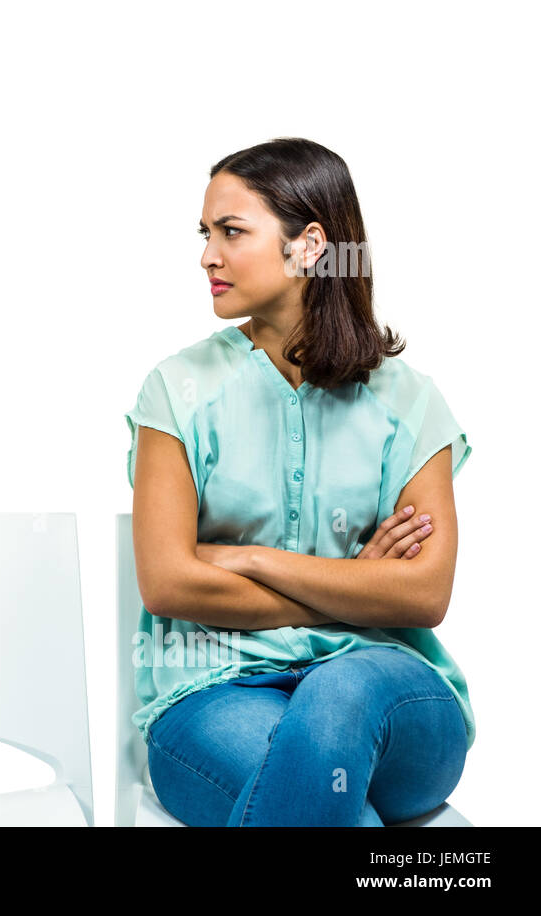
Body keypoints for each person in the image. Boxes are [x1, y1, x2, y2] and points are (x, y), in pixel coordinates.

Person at [125, 137, 472, 826]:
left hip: (394, 696)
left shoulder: (410, 403)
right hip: (215, 691)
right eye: (205, 234)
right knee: (337, 809)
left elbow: (423, 595)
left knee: (341, 688)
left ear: (309, 245)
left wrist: (251, 561)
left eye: (231, 232)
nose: (207, 256)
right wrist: (358, 591)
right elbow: (169, 583)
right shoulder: (176, 391)